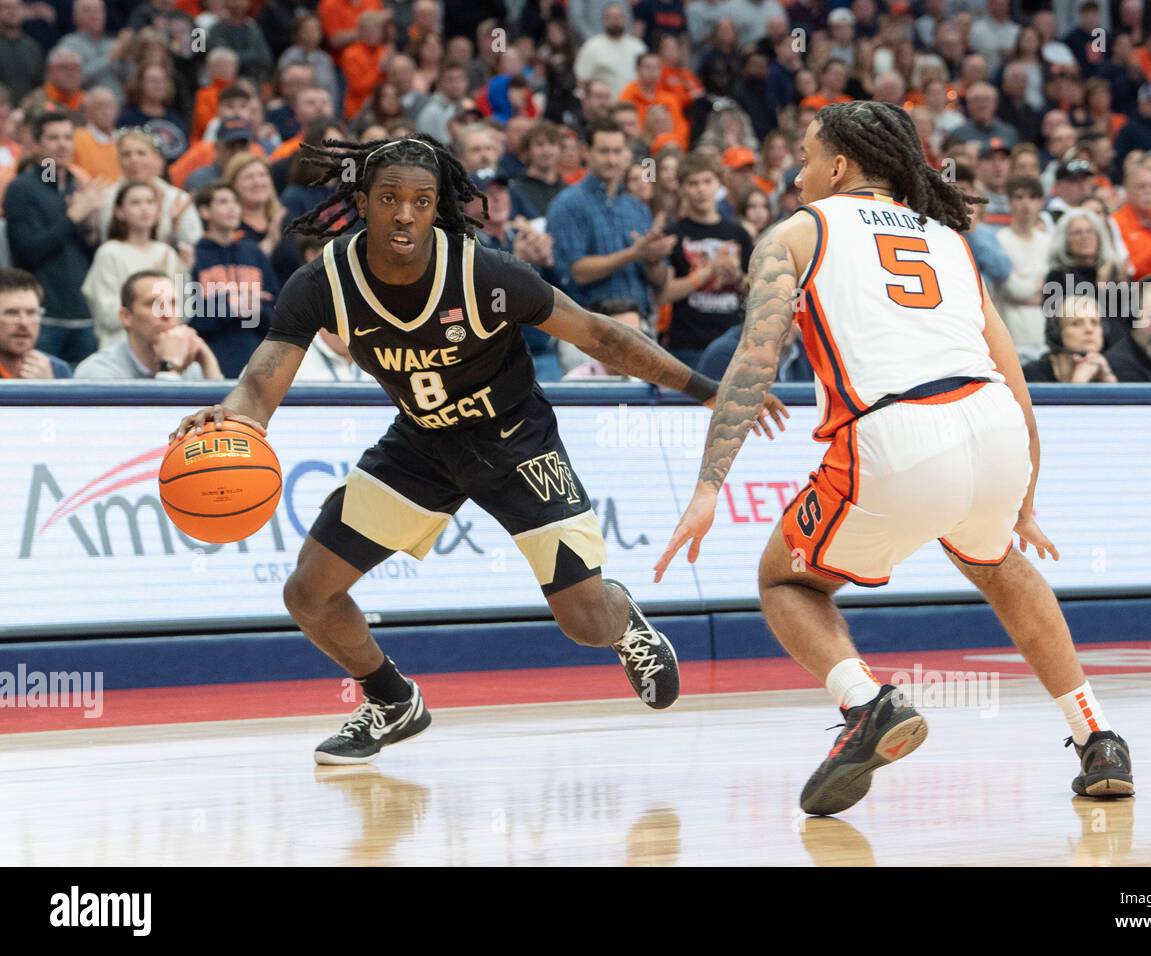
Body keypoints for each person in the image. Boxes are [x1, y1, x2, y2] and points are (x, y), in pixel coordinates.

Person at [167, 134, 787, 765]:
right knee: (307, 593)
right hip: (423, 441)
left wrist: (707, 389)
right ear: (363, 202)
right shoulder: (323, 280)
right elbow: (259, 386)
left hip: (516, 437)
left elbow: (600, 335)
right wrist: (233, 421)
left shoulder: (484, 272)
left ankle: (622, 618)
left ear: (438, 207)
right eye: (389, 199)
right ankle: (392, 700)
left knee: (584, 624)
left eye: (421, 200)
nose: (405, 214)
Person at [656, 101, 1135, 816]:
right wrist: (1024, 498)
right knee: (1000, 564)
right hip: (993, 427)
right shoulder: (947, 238)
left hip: (895, 434)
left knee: (785, 581)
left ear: (840, 166)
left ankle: (867, 705)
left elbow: (753, 362)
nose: (795, 174)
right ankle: (1098, 738)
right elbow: (1015, 378)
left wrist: (707, 486)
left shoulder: (795, 232)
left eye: (807, 157)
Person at [4, 110, 110, 365]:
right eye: (53, 138)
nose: (62, 144)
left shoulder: (77, 186)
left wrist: (90, 229)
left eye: (67, 137)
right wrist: (73, 217)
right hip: (44, 317)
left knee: (85, 401)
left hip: (83, 315)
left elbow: (92, 255)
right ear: (37, 144)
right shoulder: (22, 188)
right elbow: (28, 250)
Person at [548, 117, 674, 318]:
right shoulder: (568, 204)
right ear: (585, 152)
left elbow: (659, 282)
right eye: (604, 151)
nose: (612, 160)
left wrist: (653, 259)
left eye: (618, 151)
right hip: (589, 326)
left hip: (641, 322)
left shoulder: (637, 207)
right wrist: (634, 253)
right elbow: (575, 272)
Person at [660, 152, 752, 368]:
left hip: (733, 342)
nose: (701, 189)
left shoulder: (739, 233)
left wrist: (737, 277)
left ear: (719, 184)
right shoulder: (672, 234)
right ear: (681, 188)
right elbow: (664, 294)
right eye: (693, 183)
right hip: (686, 345)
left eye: (707, 181)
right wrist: (709, 271)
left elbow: (758, 290)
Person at [190, 182, 281, 377]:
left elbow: (277, 312)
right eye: (223, 202)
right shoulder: (195, 255)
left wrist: (256, 309)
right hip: (213, 360)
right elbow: (192, 317)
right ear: (205, 211)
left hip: (257, 359)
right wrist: (231, 305)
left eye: (235, 202)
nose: (232, 207)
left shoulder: (254, 252)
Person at [82, 181, 187, 348]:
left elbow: (182, 310)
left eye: (150, 202)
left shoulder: (167, 253)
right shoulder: (109, 253)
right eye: (135, 202)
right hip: (119, 347)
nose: (144, 208)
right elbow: (107, 315)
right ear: (119, 212)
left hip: (162, 347)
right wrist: (152, 291)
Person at [76, 270, 223, 380]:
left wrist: (207, 360)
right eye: (154, 304)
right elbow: (160, 420)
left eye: (172, 303)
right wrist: (170, 367)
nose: (167, 314)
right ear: (126, 317)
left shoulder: (192, 369)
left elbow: (223, 419)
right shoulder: (97, 372)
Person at [995, 175, 1051, 361]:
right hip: (1012, 334)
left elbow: (1053, 290)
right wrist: (1037, 287)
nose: (1026, 204)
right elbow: (1013, 290)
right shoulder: (1000, 240)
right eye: (1019, 197)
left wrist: (1034, 289)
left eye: (1032, 197)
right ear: (1009, 202)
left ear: (1041, 202)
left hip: (1043, 334)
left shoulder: (1048, 241)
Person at [1021, 293, 1118, 383]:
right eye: (1076, 323)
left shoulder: (1113, 367)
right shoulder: (1030, 376)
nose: (1089, 329)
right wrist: (1078, 383)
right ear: (1057, 333)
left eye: (1094, 322)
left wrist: (1109, 381)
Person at [0, 267, 74, 379]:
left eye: (31, 313)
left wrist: (50, 388)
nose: (24, 323)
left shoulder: (57, 370)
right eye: (12, 313)